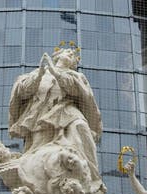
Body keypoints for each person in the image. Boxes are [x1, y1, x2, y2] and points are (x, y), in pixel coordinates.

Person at [8, 46, 102, 180]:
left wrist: (55, 71)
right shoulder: (36, 73)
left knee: (81, 126)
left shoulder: (75, 75)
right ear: (57, 55)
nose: (71, 54)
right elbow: (23, 91)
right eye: (68, 52)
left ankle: (90, 175)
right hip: (41, 115)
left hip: (66, 110)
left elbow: (76, 91)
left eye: (73, 56)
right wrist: (40, 74)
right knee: (37, 151)